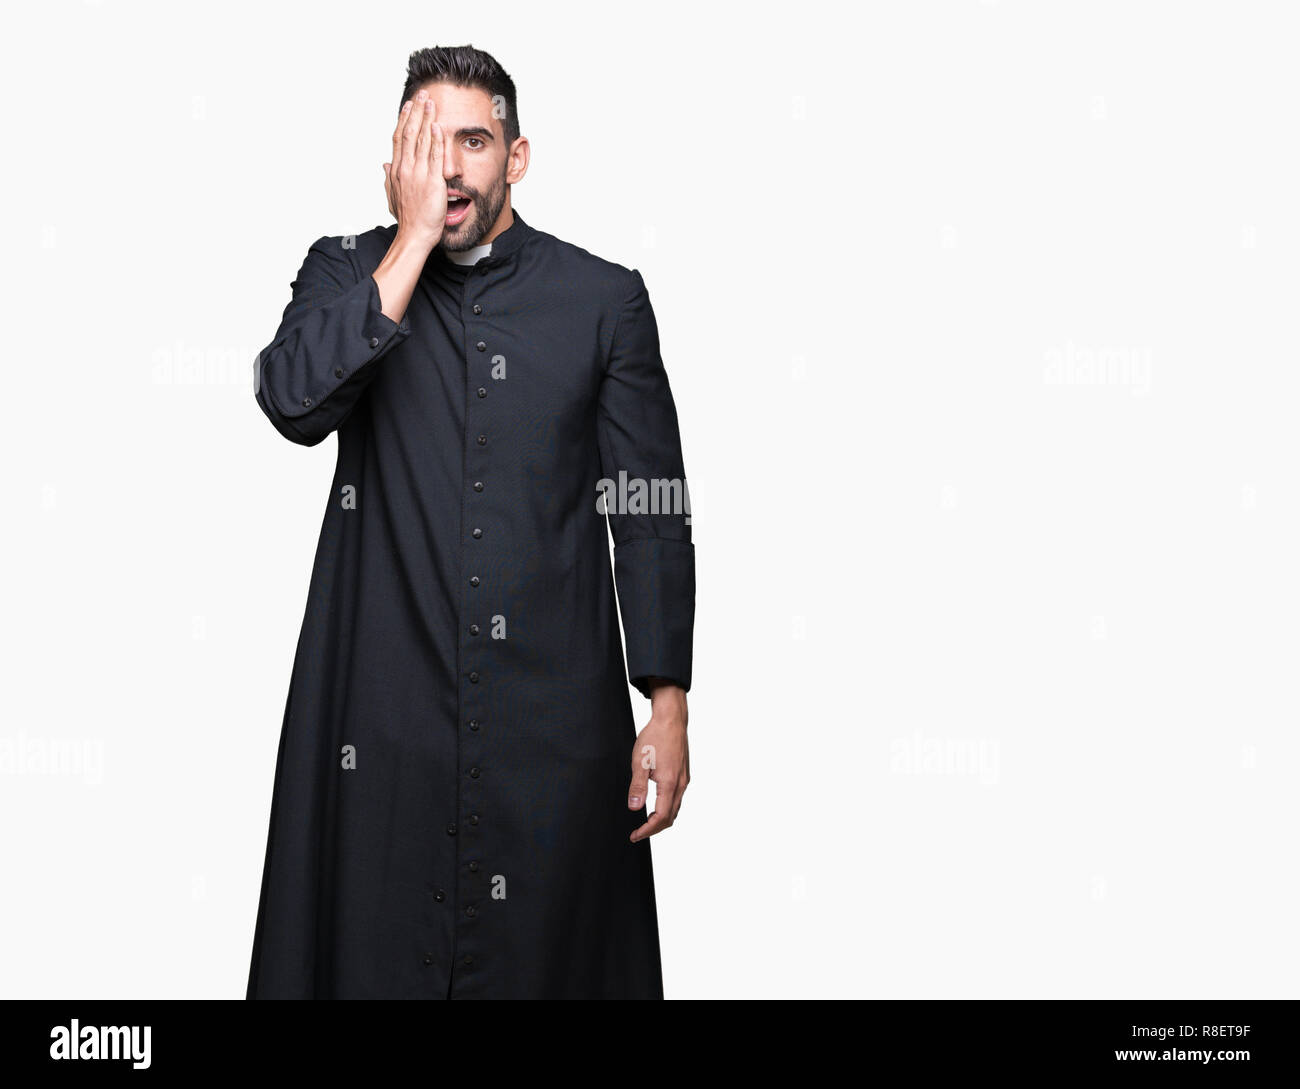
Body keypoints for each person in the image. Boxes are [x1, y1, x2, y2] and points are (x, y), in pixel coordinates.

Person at [246, 45, 695, 1000]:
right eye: (425, 141)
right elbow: (292, 402)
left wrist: (666, 700)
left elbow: (648, 506)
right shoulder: (344, 272)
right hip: (382, 730)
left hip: (552, 734)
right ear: (393, 157)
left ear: (517, 158)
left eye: (474, 142)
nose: (449, 167)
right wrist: (407, 247)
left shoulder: (604, 300)